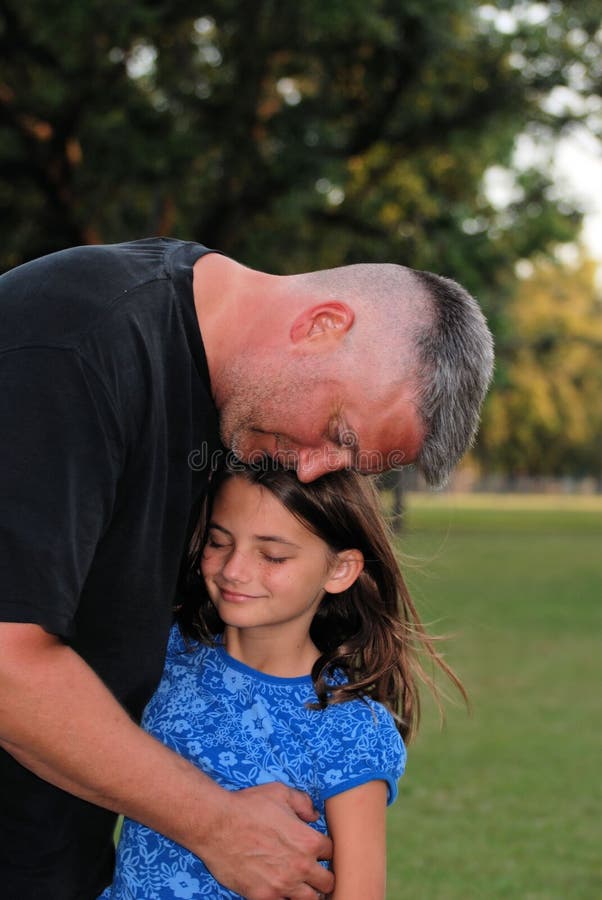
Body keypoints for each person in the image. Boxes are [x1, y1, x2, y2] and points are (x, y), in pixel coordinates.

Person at [0, 237, 493, 900]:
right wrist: (218, 825)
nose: (312, 470)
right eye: (338, 434)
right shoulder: (75, 345)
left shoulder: (230, 413)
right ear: (323, 327)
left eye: (349, 468)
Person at [100, 461, 465, 900]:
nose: (234, 569)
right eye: (219, 542)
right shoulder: (166, 652)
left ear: (340, 570)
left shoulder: (347, 726)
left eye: (272, 555)